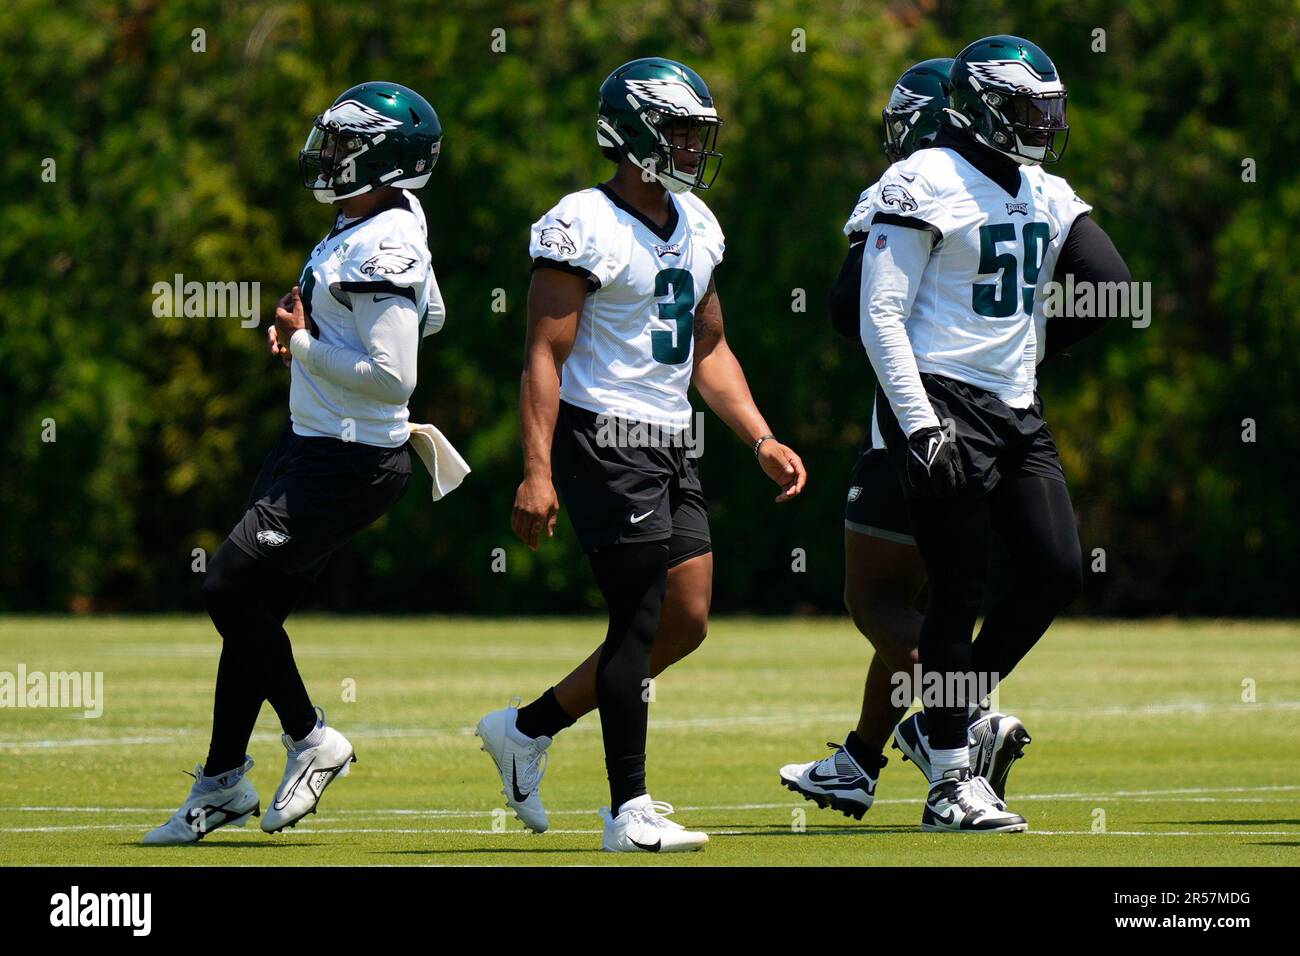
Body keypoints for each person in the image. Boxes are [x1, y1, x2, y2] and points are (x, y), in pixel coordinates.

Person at [477, 57, 806, 853]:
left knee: (686, 619)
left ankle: (526, 728)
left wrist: (758, 435)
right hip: (602, 436)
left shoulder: (698, 223)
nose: (693, 147)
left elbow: (710, 348)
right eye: (679, 130)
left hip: (670, 438)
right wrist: (537, 468)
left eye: (698, 132)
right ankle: (629, 808)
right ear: (631, 133)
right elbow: (543, 356)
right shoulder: (581, 222)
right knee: (638, 617)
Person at [145, 82, 446, 844]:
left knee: (225, 588)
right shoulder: (376, 221)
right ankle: (220, 783)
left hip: (346, 461)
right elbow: (432, 316)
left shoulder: (386, 242)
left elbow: (394, 376)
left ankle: (313, 737)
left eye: (346, 144)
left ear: (383, 158)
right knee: (255, 618)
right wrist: (320, 326)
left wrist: (308, 341)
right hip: (315, 446)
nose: (329, 156)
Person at [856, 37, 1131, 832]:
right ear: (976, 108)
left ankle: (945, 718)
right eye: (1024, 108)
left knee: (1054, 569)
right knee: (959, 588)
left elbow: (1109, 285)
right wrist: (917, 423)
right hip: (942, 400)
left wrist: (1029, 343)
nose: (1042, 123)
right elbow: (878, 312)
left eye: (1049, 107)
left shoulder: (1047, 189)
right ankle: (949, 782)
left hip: (1015, 406)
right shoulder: (923, 178)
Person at [782, 58, 1033, 820]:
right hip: (998, 427)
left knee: (874, 597)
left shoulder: (912, 188)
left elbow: (846, 305)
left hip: (913, 431)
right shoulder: (1012, 194)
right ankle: (858, 762)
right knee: (925, 601)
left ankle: (958, 722)